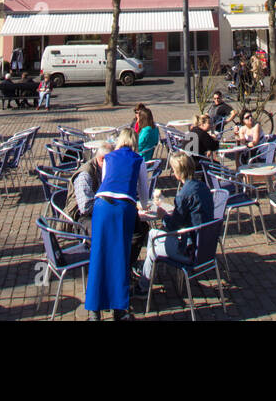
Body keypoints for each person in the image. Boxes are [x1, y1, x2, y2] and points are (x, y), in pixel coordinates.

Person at [84, 128, 149, 320]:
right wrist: (144, 206)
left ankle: (94, 311)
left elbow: (105, 182)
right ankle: (119, 310)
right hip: (123, 207)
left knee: (99, 255)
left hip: (102, 205)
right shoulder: (139, 160)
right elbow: (143, 190)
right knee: (120, 256)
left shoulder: (109, 158)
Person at [142, 151, 214, 284]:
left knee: (152, 241)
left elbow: (173, 227)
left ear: (177, 172)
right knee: (153, 236)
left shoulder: (183, 195)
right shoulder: (204, 187)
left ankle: (145, 284)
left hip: (190, 249)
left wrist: (163, 216)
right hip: (207, 244)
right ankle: (148, 279)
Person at [68, 141, 113, 233]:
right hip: (81, 218)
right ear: (103, 159)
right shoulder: (85, 175)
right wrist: (109, 208)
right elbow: (85, 207)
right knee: (106, 231)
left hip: (99, 211)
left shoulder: (106, 169)